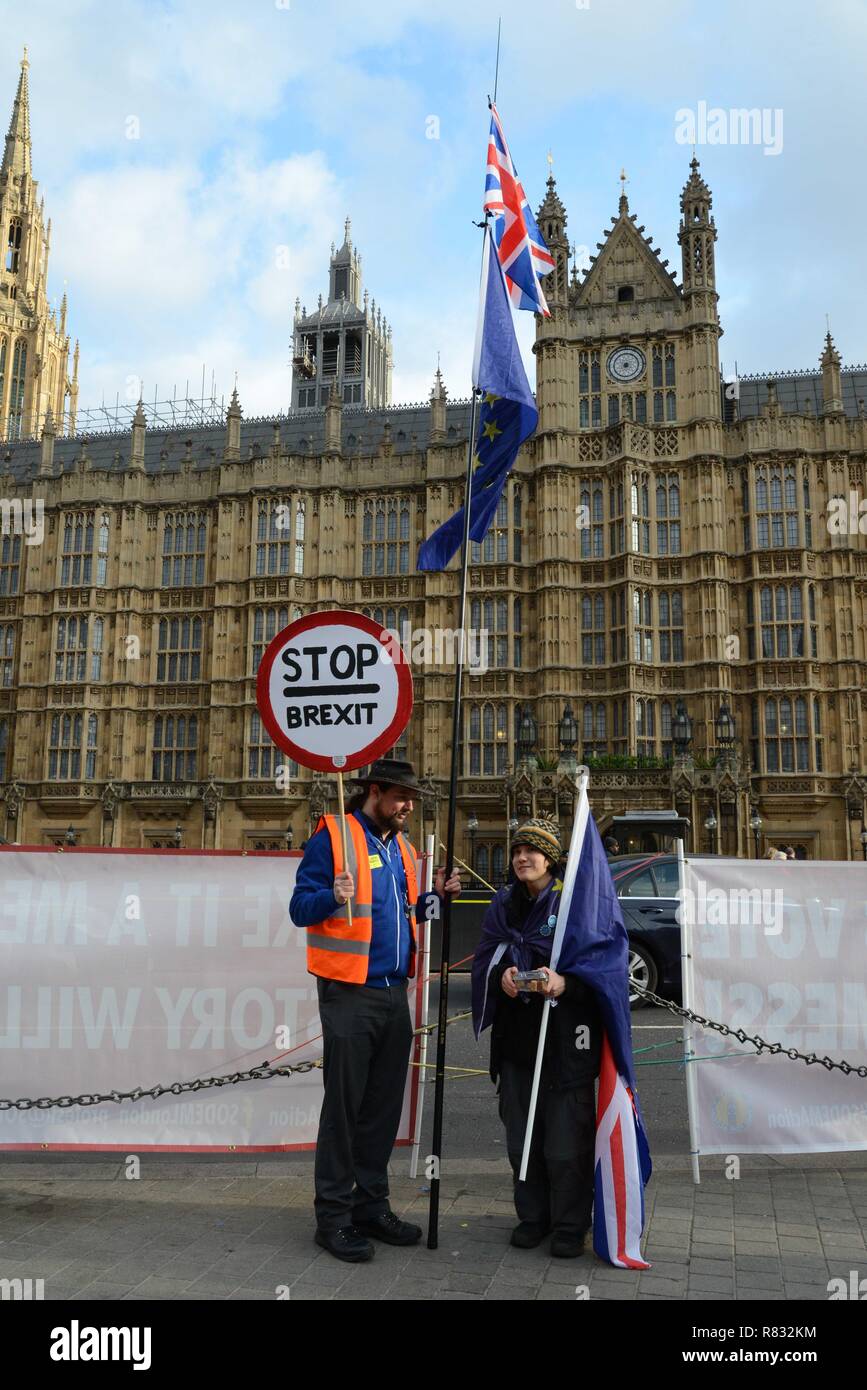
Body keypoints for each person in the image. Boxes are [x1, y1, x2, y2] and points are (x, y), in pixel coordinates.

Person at [290, 758, 461, 1263]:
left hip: (393, 992)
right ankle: (333, 1219)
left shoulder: (402, 848)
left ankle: (371, 1206)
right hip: (349, 992)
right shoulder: (334, 836)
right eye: (401, 797)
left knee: (383, 1109)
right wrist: (330, 895)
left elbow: (408, 913)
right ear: (375, 792)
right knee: (344, 1110)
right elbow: (299, 907)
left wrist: (438, 898)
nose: (408, 806)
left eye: (412, 799)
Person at [470, 817, 602, 1259]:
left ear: (551, 858)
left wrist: (565, 983)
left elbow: (603, 964)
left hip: (565, 1041)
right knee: (521, 1138)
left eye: (533, 850)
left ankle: (570, 1224)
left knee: (566, 1142)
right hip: (517, 1041)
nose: (522, 857)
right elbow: (486, 956)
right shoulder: (502, 904)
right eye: (517, 851)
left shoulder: (575, 902)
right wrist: (502, 976)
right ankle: (533, 1216)